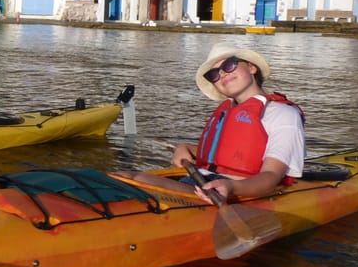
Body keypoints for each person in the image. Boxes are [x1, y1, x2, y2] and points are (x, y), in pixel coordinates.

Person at [117, 42, 305, 202]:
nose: (222, 74)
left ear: (251, 67)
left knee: (135, 179)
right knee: (120, 177)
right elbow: (228, 152)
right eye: (213, 75)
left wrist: (231, 187)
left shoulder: (282, 114)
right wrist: (187, 148)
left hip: (234, 190)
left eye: (229, 65)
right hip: (200, 181)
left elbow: (271, 176)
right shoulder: (228, 111)